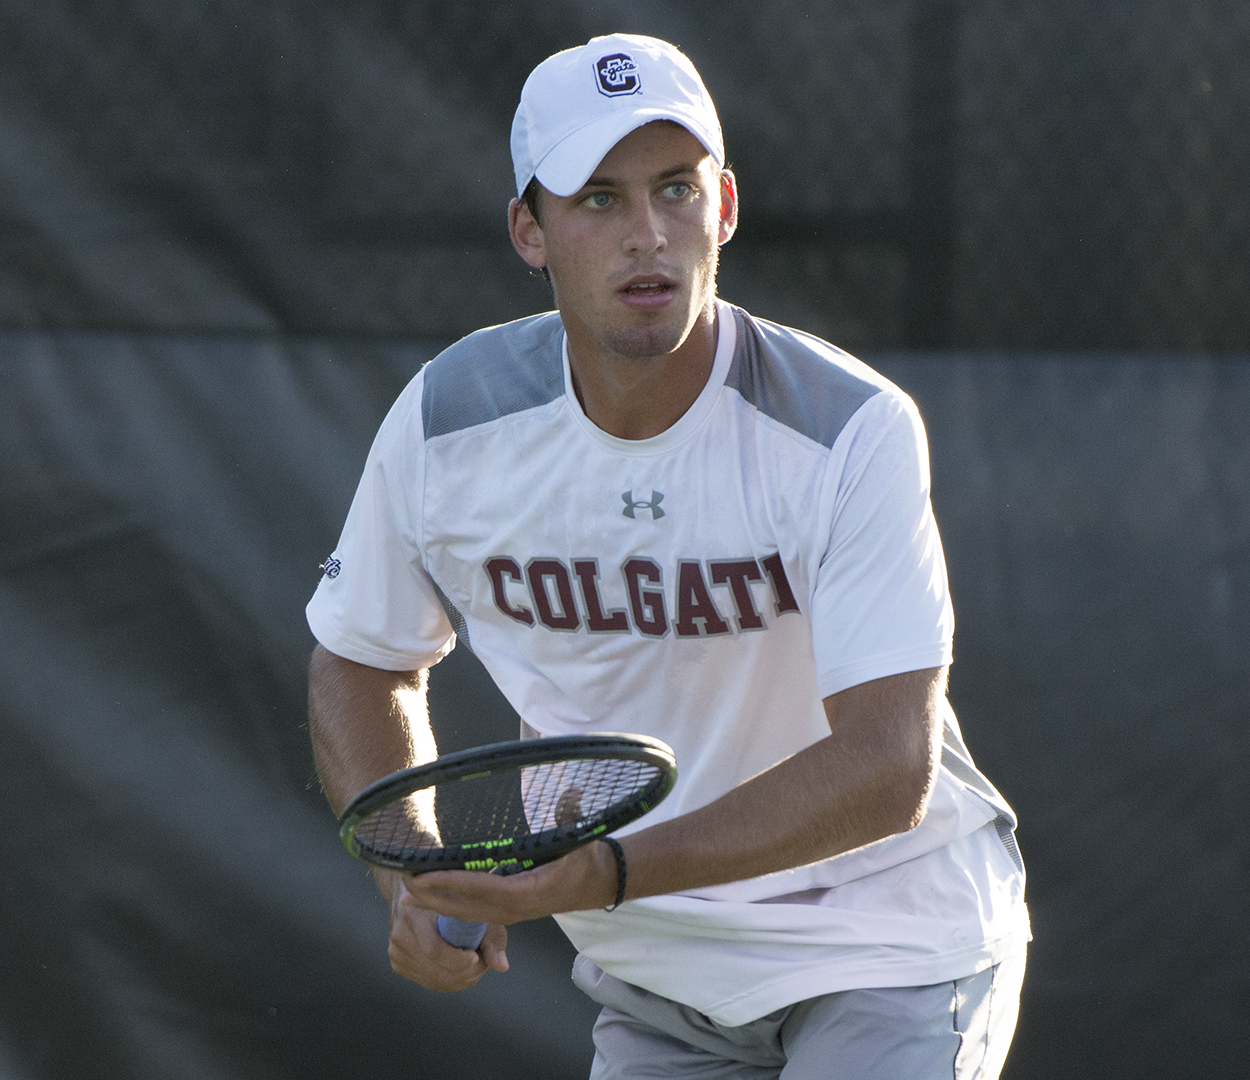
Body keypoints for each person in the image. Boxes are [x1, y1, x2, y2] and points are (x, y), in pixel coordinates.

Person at [306, 33, 1029, 1078]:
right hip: (657, 988)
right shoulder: (445, 423)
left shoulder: (851, 428)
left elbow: (887, 764)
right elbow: (361, 656)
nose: (648, 234)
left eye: (675, 190)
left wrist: (602, 872)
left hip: (891, 950)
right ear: (530, 230)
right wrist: (415, 878)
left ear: (724, 209)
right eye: (599, 199)